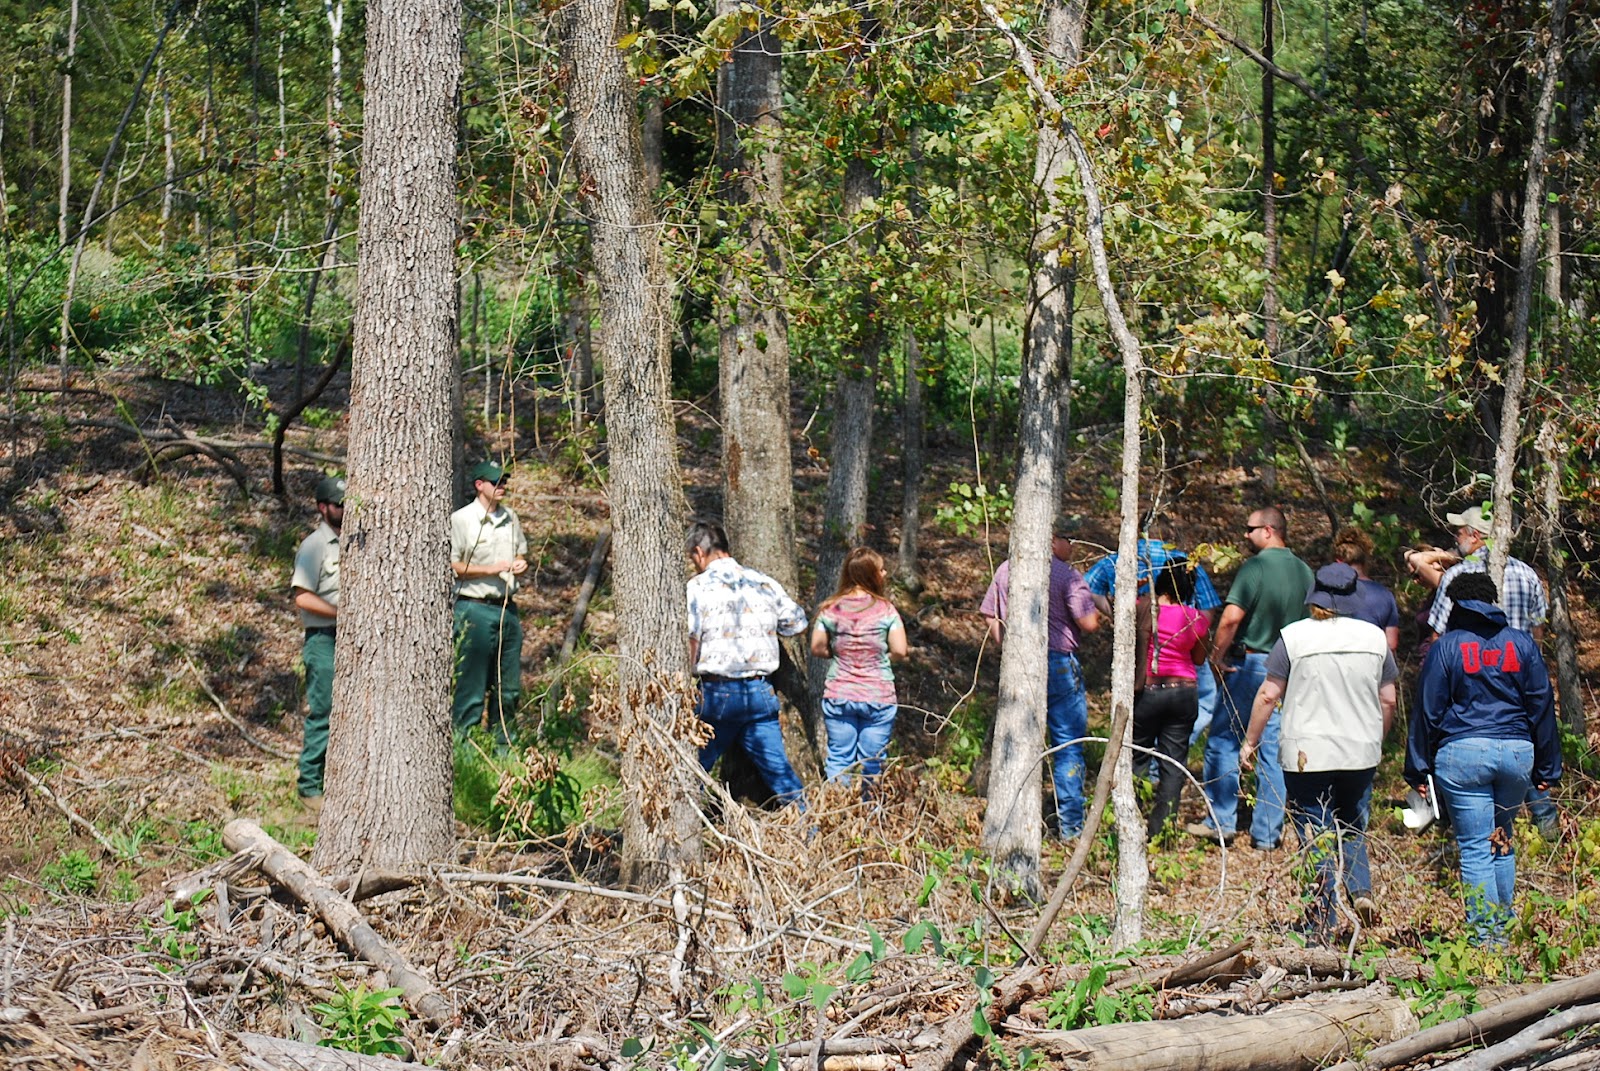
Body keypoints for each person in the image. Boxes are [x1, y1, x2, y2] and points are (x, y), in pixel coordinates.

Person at [1240, 563, 1398, 939]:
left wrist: (1251, 741)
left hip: (1306, 752)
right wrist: (1377, 738)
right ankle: (1360, 890)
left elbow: (1268, 694)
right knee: (1352, 823)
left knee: (1315, 829)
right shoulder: (1375, 638)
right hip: (1359, 748)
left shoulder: (1293, 638)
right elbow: (1388, 699)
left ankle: (1320, 919)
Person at [1406, 572, 1560, 947]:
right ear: (1493, 601)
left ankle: (1487, 944)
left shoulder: (1448, 647)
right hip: (1516, 753)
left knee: (1475, 846)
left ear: (1456, 604)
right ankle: (1503, 935)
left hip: (1463, 755)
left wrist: (1417, 767)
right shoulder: (1522, 644)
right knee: (1501, 837)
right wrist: (1547, 767)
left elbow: (1428, 710)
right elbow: (1541, 704)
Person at [1427, 504, 1558, 840]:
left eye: (1459, 531)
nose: (1457, 538)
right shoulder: (1528, 574)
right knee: (1520, 742)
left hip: (1470, 679)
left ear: (1475, 536)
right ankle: (1543, 825)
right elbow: (1538, 629)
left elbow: (1438, 633)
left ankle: (1465, 827)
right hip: (1520, 674)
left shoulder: (1459, 577)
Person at [1190, 506, 1313, 849]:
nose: (1245, 535)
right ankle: (1266, 834)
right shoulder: (1305, 571)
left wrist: (1215, 658)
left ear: (1270, 531)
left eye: (1250, 529)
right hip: (1289, 668)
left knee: (1224, 741)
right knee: (1273, 749)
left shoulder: (1255, 567)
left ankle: (1221, 821)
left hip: (1252, 665)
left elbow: (1230, 619)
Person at [979, 514, 1102, 839]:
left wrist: (1003, 645)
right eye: (1069, 540)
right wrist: (1100, 606)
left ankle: (1012, 823)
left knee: (1018, 741)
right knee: (1068, 745)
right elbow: (1089, 623)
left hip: (1018, 661)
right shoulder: (1067, 575)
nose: (1073, 546)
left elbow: (990, 613)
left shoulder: (1007, 568)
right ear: (1051, 540)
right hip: (1059, 663)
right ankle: (1071, 827)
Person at [686, 521, 808, 807]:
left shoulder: (698, 587)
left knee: (690, 769)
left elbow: (692, 637)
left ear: (699, 553)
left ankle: (680, 836)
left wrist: (686, 676)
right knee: (780, 774)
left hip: (716, 695)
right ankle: (810, 829)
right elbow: (797, 623)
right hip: (759, 692)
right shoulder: (763, 582)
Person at [1083, 529, 1223, 760]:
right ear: (1168, 533)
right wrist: (1194, 629)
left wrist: (1118, 617)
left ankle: (1140, 777)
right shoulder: (1185, 562)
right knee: (1204, 703)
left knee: (1139, 731)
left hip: (1140, 655)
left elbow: (1088, 587)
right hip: (1184, 660)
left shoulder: (1119, 559)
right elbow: (1208, 607)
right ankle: (1166, 761)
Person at [811, 547, 909, 786]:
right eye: (881, 569)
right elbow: (900, 650)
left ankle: (831, 817)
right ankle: (869, 818)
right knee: (873, 763)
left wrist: (839, 652)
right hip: (878, 696)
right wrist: (881, 655)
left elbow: (817, 647)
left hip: (839, 695)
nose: (885, 573)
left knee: (838, 760)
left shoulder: (831, 608)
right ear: (871, 575)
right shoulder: (886, 609)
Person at [1132, 557, 1211, 838]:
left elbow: (1116, 612)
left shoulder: (1144, 608)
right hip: (1184, 692)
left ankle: (1132, 820)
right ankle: (1161, 833)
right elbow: (1199, 659)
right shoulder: (1197, 618)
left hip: (1149, 692)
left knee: (1137, 756)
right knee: (1173, 765)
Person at [450, 460, 528, 745]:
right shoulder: (461, 520)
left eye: (504, 482)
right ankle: (464, 748)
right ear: (479, 485)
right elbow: (454, 566)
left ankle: (503, 747)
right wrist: (492, 569)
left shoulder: (511, 518)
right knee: (471, 686)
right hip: (473, 609)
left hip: (507, 608)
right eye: (495, 482)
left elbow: (521, 554)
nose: (501, 487)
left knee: (507, 687)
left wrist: (519, 564)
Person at [290, 475, 345, 811]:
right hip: (324, 640)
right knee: (323, 712)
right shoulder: (314, 546)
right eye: (339, 504)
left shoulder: (358, 540)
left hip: (353, 641)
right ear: (323, 508)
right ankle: (310, 787)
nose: (345, 509)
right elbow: (303, 597)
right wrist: (342, 615)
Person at [1331, 527, 1400, 653]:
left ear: (1338, 562)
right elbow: (1391, 644)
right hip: (1371, 665)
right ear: (1364, 560)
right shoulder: (1385, 595)